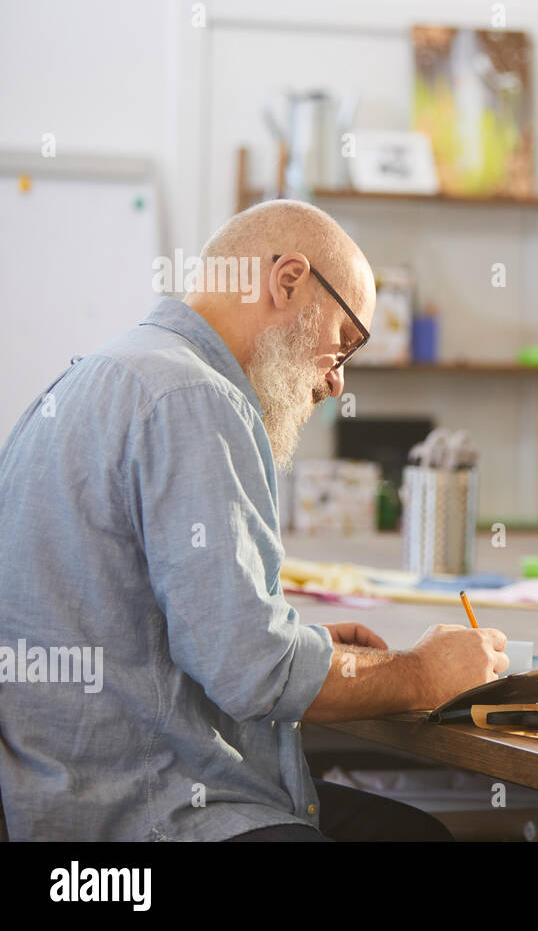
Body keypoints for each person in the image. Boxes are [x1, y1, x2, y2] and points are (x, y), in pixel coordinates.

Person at [0, 200, 508, 841]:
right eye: (345, 341)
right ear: (288, 281)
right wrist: (423, 673)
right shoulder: (197, 399)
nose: (337, 383)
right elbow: (253, 672)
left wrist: (298, 643)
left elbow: (160, 632)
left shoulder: (89, 378)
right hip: (159, 814)